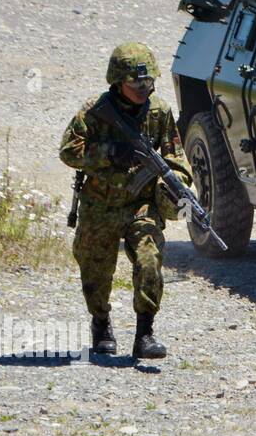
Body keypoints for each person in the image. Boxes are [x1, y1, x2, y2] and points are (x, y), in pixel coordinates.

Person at [58, 43, 188, 359]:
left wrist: (177, 182)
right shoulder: (93, 112)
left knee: (149, 261)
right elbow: (68, 152)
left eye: (149, 83)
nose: (145, 89)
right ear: (117, 81)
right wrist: (109, 153)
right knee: (95, 269)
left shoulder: (158, 112)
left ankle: (145, 332)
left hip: (140, 204)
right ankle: (101, 324)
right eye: (136, 84)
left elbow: (176, 156)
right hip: (99, 206)